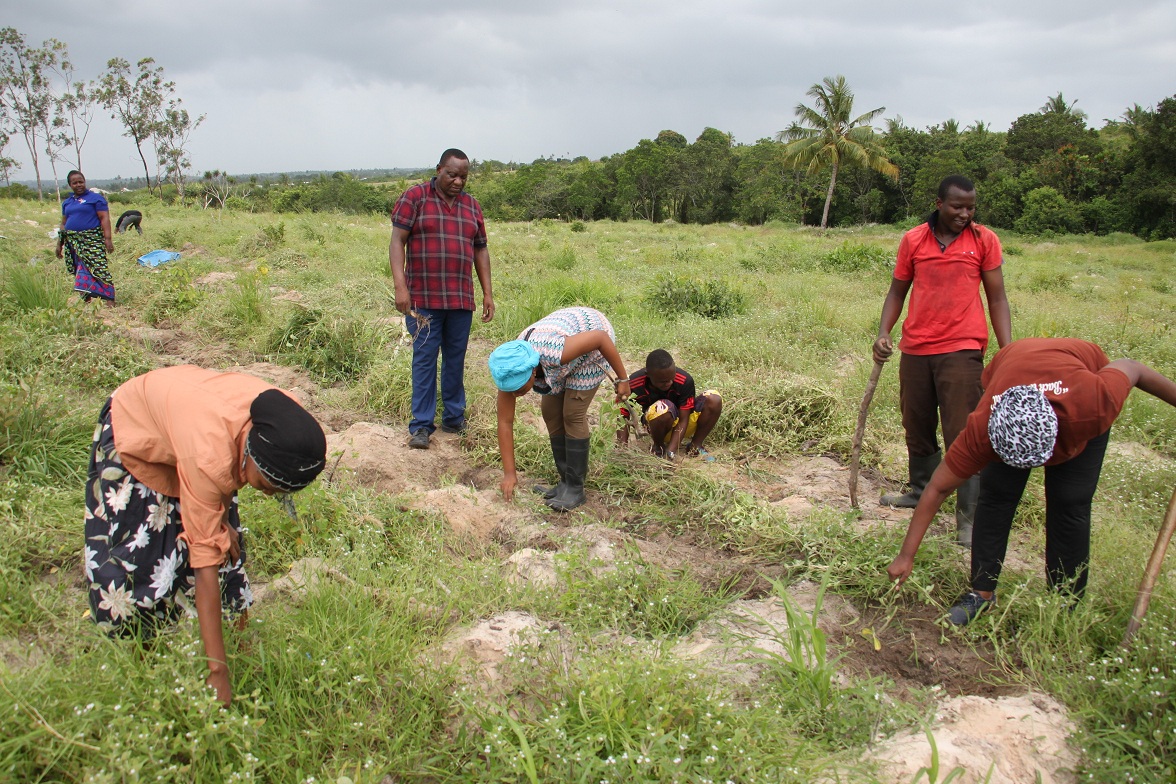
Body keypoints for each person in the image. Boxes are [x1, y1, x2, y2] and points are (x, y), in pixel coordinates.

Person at [885, 338, 1176, 625]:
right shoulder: (984, 428)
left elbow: (1131, 367)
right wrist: (906, 555)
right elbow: (939, 487)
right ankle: (981, 594)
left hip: (1078, 372)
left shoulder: (1092, 405)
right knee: (997, 495)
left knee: (1070, 503)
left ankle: (1064, 606)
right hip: (1013, 364)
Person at [84, 365, 327, 706]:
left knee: (228, 539)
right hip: (136, 425)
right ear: (248, 455)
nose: (270, 495)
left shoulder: (281, 419)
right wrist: (218, 673)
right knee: (141, 551)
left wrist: (222, 518)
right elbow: (205, 563)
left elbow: (226, 477)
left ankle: (237, 635)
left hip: (190, 426)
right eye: (265, 486)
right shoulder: (209, 458)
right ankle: (139, 656)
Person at [874, 174, 1012, 546]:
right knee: (916, 424)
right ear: (939, 204)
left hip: (962, 350)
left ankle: (968, 518)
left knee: (962, 432)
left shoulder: (984, 240)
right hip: (916, 349)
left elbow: (997, 298)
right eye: (957, 207)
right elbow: (897, 291)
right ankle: (920, 489)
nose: (965, 214)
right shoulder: (914, 239)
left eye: (971, 207)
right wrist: (884, 332)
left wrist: (1008, 350)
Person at [389, 149, 494, 450]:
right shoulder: (416, 197)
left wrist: (487, 292)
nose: (458, 181)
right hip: (422, 299)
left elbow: (480, 250)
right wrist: (400, 287)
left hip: (460, 299)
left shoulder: (471, 206)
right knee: (424, 360)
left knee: (455, 359)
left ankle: (454, 417)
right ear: (439, 169)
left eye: (463, 176)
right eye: (452, 174)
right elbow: (397, 241)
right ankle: (421, 426)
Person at [489, 306, 629, 511]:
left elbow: (599, 338)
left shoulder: (553, 353)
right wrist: (510, 474)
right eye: (512, 390)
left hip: (593, 345)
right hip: (565, 346)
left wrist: (623, 378)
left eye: (520, 388)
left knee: (572, 414)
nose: (516, 394)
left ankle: (575, 488)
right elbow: (504, 422)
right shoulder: (509, 367)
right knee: (551, 412)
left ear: (532, 372)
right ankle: (564, 482)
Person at [617, 349, 723, 462]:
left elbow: (683, 420)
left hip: (683, 424)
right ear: (648, 375)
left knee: (714, 399)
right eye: (663, 381)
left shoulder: (684, 380)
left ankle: (695, 446)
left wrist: (670, 452)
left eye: (671, 378)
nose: (669, 383)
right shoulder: (633, 383)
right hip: (655, 425)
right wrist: (622, 448)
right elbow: (622, 416)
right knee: (664, 407)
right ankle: (659, 447)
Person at [56, 170, 116, 304]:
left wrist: (108, 239)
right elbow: (64, 223)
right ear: (70, 185)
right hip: (73, 242)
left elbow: (104, 218)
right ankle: (86, 301)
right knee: (79, 271)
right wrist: (59, 244)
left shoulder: (96, 199)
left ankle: (110, 301)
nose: (79, 185)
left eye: (81, 182)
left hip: (92, 241)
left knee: (99, 268)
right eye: (75, 183)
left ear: (85, 182)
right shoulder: (67, 203)